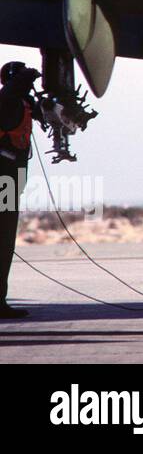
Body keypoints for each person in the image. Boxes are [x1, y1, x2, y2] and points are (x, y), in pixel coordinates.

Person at [0, 61, 42, 320]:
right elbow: (9, 94)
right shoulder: (6, 102)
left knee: (5, 243)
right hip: (3, 181)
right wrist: (27, 77)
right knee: (3, 241)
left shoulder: (22, 104)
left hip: (12, 183)